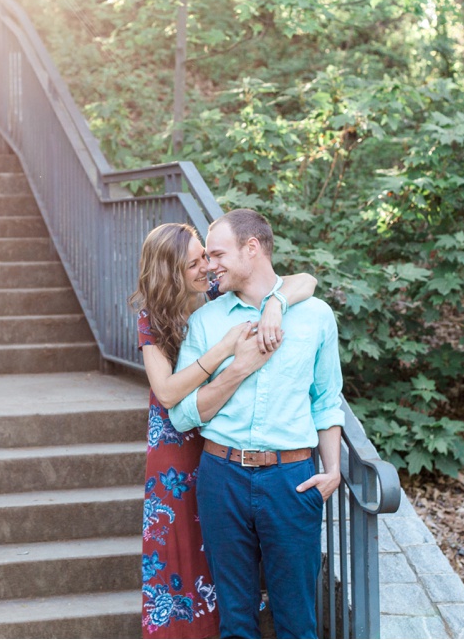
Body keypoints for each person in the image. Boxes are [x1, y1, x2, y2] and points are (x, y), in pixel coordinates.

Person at [131, 222, 318, 639]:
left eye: (208, 257)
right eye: (194, 262)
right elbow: (166, 392)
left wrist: (275, 304)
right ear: (169, 271)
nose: (207, 268)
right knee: (182, 547)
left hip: (228, 441)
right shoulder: (154, 320)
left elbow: (307, 280)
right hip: (179, 445)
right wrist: (227, 351)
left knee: (224, 557)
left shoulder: (217, 296)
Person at [168, 209, 345, 639]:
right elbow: (183, 412)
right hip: (221, 476)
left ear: (252, 248)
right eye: (207, 257)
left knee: (297, 621)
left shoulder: (317, 316)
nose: (209, 265)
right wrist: (238, 369)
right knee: (235, 621)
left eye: (217, 254)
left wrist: (333, 470)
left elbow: (326, 400)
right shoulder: (206, 322)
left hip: (293, 480)